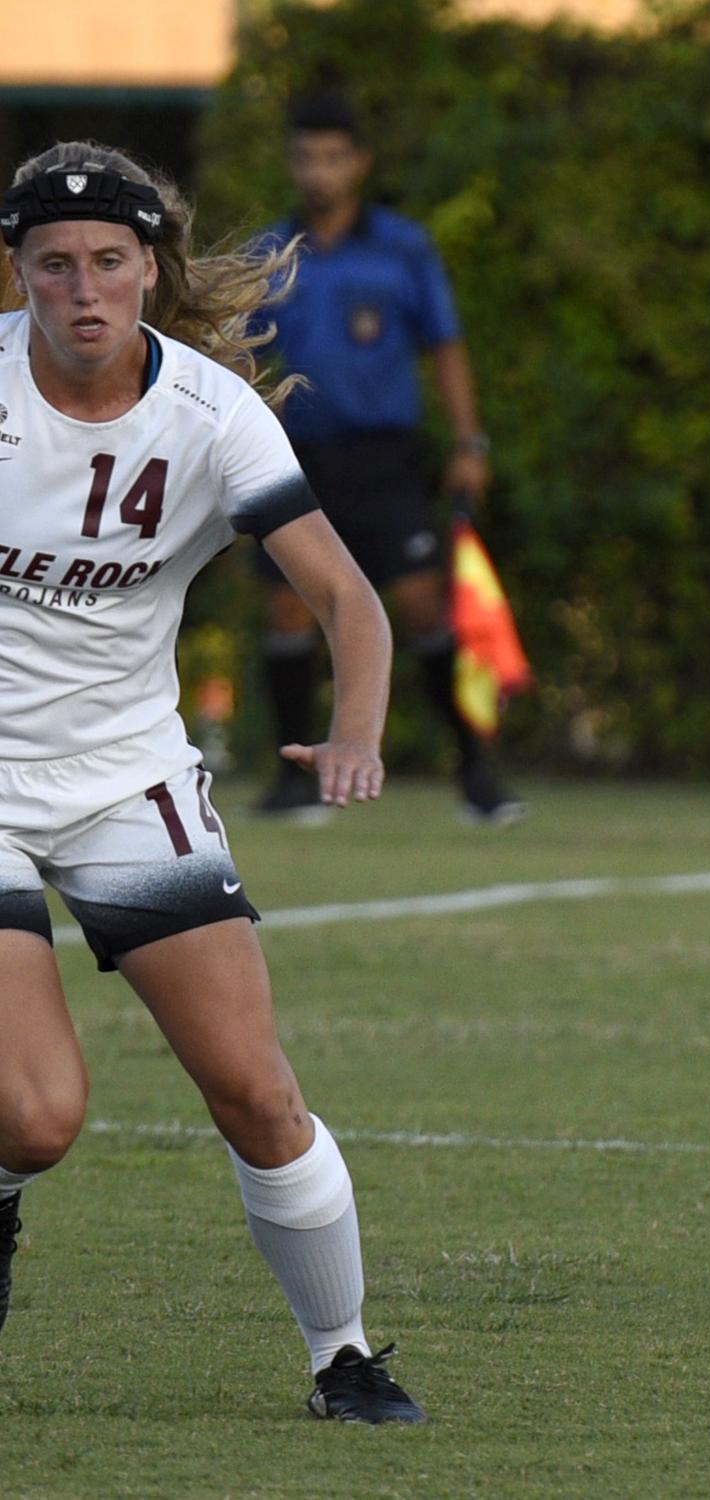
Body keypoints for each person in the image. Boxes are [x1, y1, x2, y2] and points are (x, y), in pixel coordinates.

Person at [0, 141, 421, 1421]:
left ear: (150, 271)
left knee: (255, 1089)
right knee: (37, 1118)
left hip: (130, 776)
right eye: (54, 264)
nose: (84, 289)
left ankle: (341, 1358)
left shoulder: (214, 415)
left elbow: (350, 600)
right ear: (16, 275)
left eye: (110, 263)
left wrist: (357, 732)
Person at [253, 91, 520, 825]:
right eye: (306, 156)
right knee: (286, 608)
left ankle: (476, 773)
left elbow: (446, 346)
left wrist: (470, 443)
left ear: (360, 163)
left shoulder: (404, 248)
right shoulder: (267, 253)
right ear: (291, 162)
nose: (319, 171)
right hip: (290, 456)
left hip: (384, 455)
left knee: (421, 603)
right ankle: (294, 778)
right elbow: (236, 357)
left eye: (333, 157)